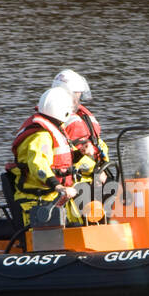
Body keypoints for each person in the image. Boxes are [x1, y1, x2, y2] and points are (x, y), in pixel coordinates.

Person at [7, 86, 96, 228]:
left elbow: (63, 162)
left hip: (56, 200)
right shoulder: (40, 136)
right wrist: (58, 186)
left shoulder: (55, 130)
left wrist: (85, 157)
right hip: (39, 203)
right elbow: (38, 166)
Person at [51, 70, 109, 219]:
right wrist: (96, 170)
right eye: (77, 95)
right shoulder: (61, 120)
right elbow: (69, 157)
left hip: (94, 177)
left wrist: (102, 166)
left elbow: (98, 144)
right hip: (78, 183)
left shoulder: (81, 116)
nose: (79, 100)